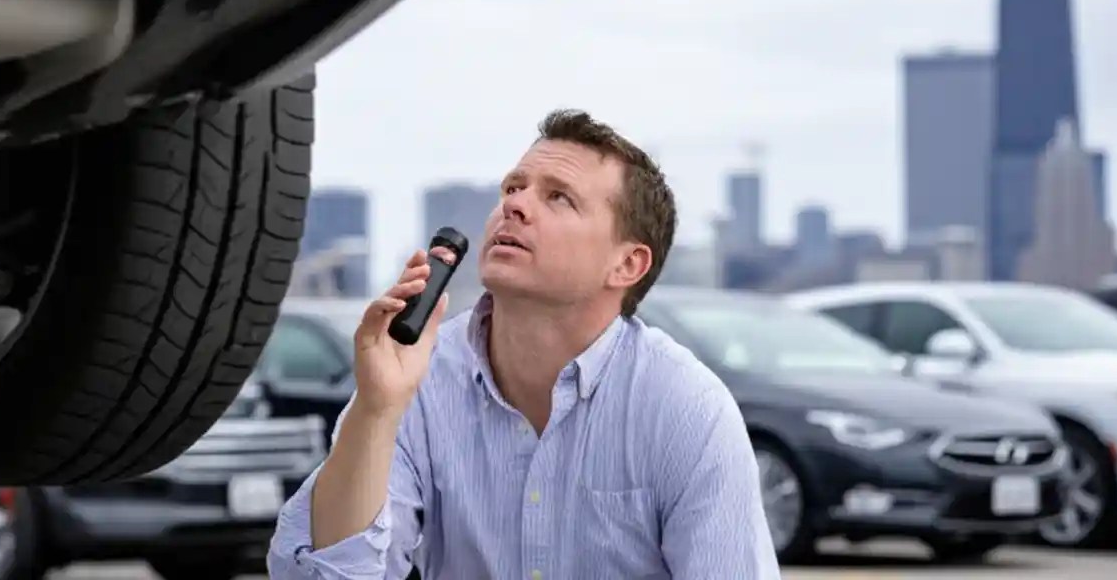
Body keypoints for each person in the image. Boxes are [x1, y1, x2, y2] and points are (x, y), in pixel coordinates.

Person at [268, 109, 780, 579]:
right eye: (513, 187)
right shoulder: (421, 376)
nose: (515, 205)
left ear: (627, 265)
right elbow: (320, 576)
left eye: (558, 196)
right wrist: (377, 411)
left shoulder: (688, 409)